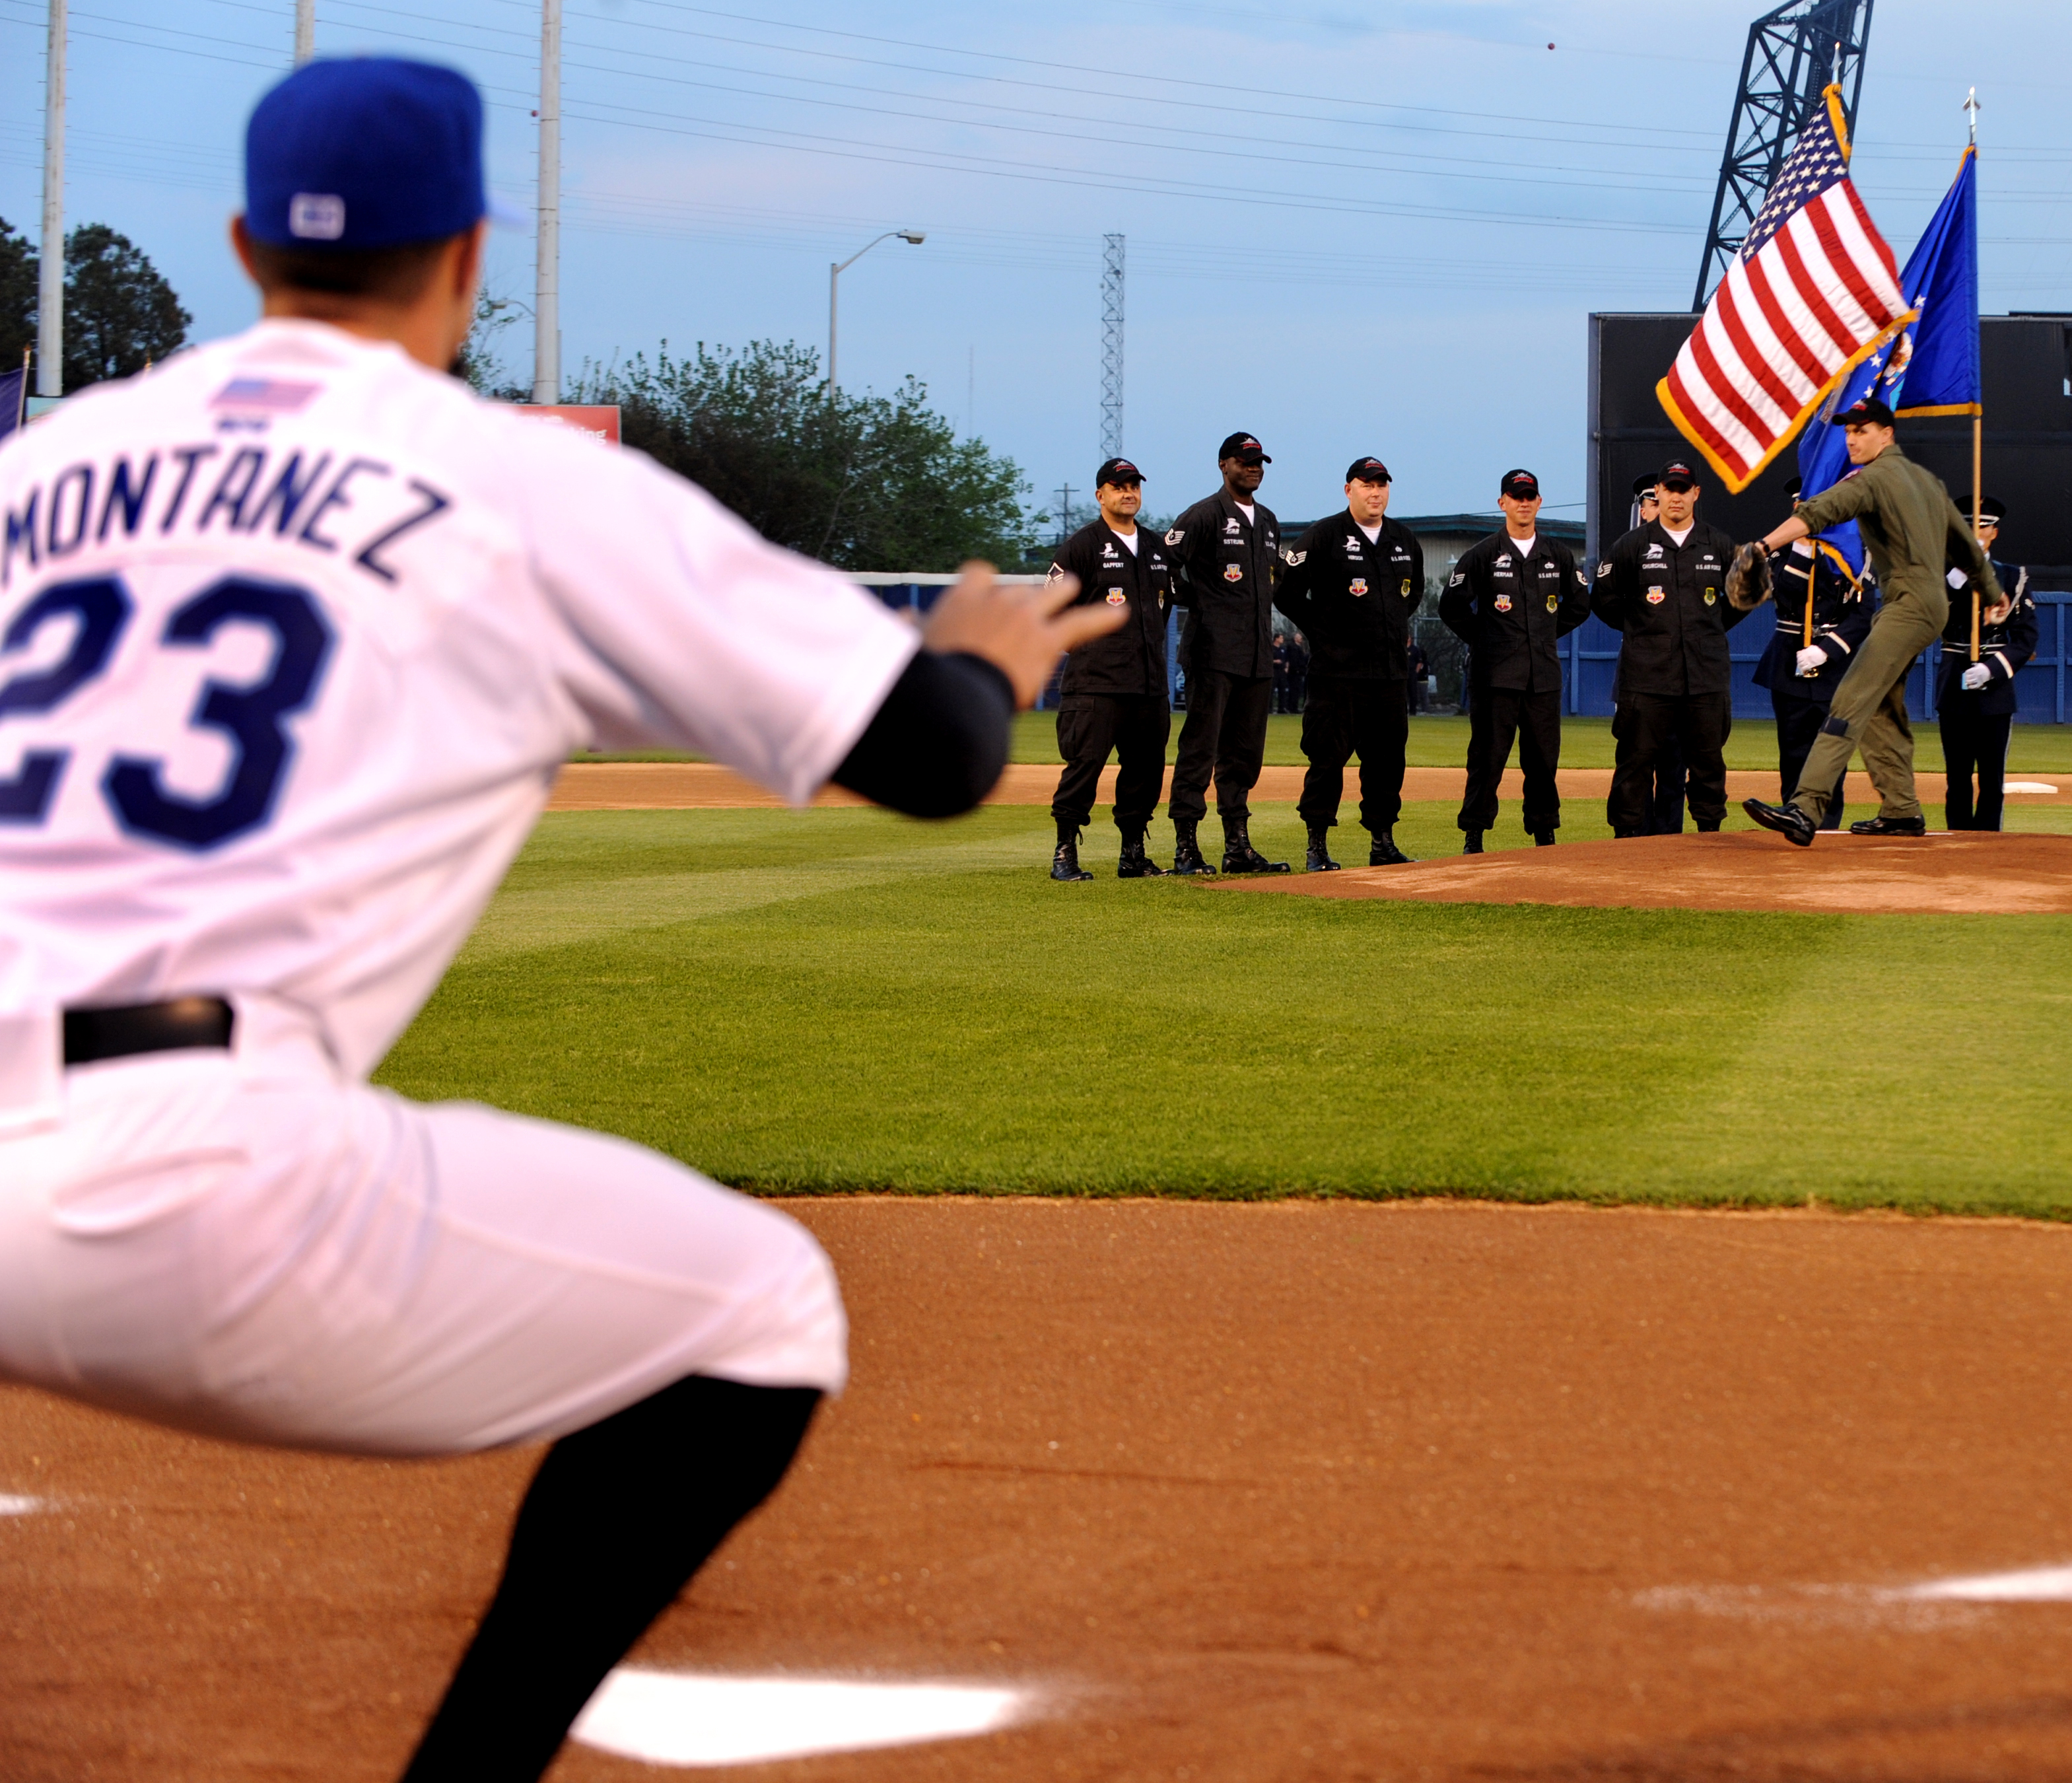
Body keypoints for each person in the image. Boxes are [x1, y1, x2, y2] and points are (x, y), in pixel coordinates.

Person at [0, 59, 1118, 1783]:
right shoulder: (512, 484)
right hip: (184, 1170)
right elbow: (930, 754)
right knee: (760, 1309)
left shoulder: (50, 463)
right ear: (465, 256)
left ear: (240, 245)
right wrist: (983, 646)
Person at [1743, 398, 2000, 845]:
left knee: (1851, 696)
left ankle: (1806, 807)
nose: (1852, 439)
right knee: (1881, 706)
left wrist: (1763, 547)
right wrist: (1993, 592)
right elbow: (1963, 543)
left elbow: (1817, 512)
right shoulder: (1926, 480)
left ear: (1888, 434)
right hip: (1923, 602)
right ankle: (1901, 809)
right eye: (1849, 432)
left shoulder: (1873, 479)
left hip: (1909, 604)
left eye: (1862, 430)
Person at [1276, 455, 1424, 870]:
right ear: (1349, 490)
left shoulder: (1403, 539)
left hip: (1389, 674)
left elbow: (1411, 595)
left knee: (1387, 761)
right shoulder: (1324, 536)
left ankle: (1382, 842)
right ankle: (1317, 846)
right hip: (1337, 674)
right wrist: (1321, 628)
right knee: (1328, 758)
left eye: (1381, 485)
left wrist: (1391, 625)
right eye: (1366, 484)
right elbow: (1285, 592)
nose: (1375, 492)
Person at [1592, 460, 1750, 836]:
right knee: (1635, 760)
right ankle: (1626, 839)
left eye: (1684, 489)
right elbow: (1604, 599)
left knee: (1708, 760)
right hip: (1646, 675)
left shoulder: (1720, 545)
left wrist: (1708, 630)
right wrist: (1643, 630)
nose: (1676, 497)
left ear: (1695, 494)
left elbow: (1742, 598)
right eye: (1670, 489)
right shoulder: (1632, 546)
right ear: (1658, 494)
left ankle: (1709, 834)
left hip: (1705, 674)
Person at [1439, 468, 1592, 853]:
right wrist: (1487, 638)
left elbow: (1580, 605)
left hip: (1543, 676)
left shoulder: (1557, 554)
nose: (1524, 503)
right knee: (1487, 761)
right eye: (1516, 496)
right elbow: (1451, 607)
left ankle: (1545, 832)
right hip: (1495, 677)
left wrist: (1542, 634)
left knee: (1542, 762)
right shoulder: (1483, 555)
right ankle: (1474, 834)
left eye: (1530, 496)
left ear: (1539, 502)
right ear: (1502, 503)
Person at [1162, 432, 1289, 874]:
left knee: (1245, 755)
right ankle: (1186, 846)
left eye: (1259, 462)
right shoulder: (1204, 515)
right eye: (1245, 461)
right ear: (1224, 465)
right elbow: (1163, 563)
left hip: (1256, 657)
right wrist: (1196, 597)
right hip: (1212, 653)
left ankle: (1238, 846)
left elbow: (1276, 579)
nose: (1254, 467)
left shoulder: (1269, 521)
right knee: (1200, 749)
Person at [1044, 457, 1176, 879]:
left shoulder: (1157, 547)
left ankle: (1133, 854)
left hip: (1148, 684)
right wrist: (1088, 650)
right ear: (1100, 494)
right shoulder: (1083, 546)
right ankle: (1065, 853)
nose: (1129, 492)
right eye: (1119, 486)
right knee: (1084, 767)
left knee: (1145, 772)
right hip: (1096, 686)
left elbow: (1163, 609)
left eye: (1135, 485)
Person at [1750, 475, 1871, 829]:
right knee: (1793, 753)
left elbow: (1863, 615)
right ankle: (1792, 819)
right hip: (1789, 665)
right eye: (1800, 505)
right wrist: (1802, 548)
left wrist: (1826, 650)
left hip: (1835, 670)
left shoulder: (1854, 551)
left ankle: (1828, 828)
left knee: (1833, 754)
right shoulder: (1781, 552)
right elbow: (1787, 596)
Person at [1938, 495, 2038, 830]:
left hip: (1995, 687)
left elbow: (2025, 638)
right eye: (1968, 526)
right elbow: (1931, 617)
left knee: (1992, 780)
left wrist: (1992, 669)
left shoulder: (2012, 578)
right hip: (1955, 679)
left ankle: (1989, 844)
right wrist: (1955, 578)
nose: (1975, 533)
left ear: (1994, 532)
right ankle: (1958, 840)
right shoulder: (1940, 575)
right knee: (1958, 778)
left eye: (1983, 527)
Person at [1624, 474, 1686, 834]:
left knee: (1674, 764)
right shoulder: (1631, 552)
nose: (1654, 509)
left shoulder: (1691, 550)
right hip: (1639, 671)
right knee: (1636, 761)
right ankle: (1635, 840)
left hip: (1681, 673)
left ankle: (1670, 838)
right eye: (1650, 503)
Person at [1406, 637, 1430, 714]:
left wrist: (1416, 673)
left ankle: (1413, 712)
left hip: (1412, 673)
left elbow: (1419, 662)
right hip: (1402, 673)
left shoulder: (1415, 649)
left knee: (1413, 693)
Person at [1272, 630, 1291, 713]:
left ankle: (1282, 708)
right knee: (1272, 690)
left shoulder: (1283, 649)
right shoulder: (1271, 648)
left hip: (1282, 672)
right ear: (1276, 639)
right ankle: (1270, 708)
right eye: (1281, 638)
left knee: (1282, 690)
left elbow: (1287, 659)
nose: (1282, 639)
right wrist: (1275, 661)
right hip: (1274, 671)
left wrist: (1287, 667)